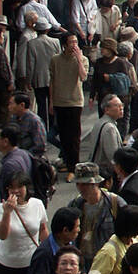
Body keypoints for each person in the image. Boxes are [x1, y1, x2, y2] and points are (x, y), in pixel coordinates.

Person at [49, 33, 88, 182]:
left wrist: (78, 58)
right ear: (64, 44)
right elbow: (52, 81)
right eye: (71, 42)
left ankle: (74, 167)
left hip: (74, 101)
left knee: (74, 137)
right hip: (60, 101)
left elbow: (83, 76)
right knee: (64, 136)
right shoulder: (55, 60)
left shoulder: (82, 59)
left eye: (76, 42)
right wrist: (51, 102)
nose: (74, 45)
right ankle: (68, 161)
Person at [71, 164, 122, 273]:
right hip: (85, 263)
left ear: (97, 183)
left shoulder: (114, 203)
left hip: (108, 263)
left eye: (85, 184)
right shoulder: (75, 205)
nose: (81, 188)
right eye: (78, 184)